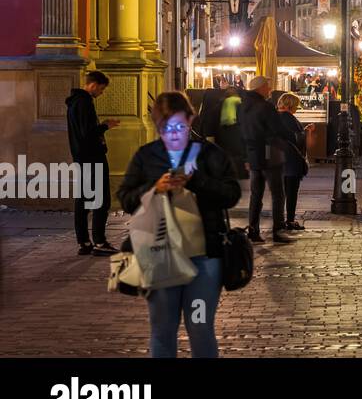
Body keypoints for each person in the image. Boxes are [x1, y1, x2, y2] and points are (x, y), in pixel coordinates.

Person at [118, 92, 241, 358]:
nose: (173, 134)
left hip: (204, 258)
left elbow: (231, 195)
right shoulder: (146, 156)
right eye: (165, 128)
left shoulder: (210, 154)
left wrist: (196, 182)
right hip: (159, 258)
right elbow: (125, 199)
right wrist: (155, 187)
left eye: (179, 126)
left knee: (200, 327)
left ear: (190, 119)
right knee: (162, 329)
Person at [66, 70, 119, 256]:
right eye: (102, 89)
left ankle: (84, 242)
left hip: (82, 157)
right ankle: (99, 241)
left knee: (83, 200)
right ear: (94, 85)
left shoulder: (75, 103)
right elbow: (88, 133)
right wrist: (105, 126)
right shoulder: (85, 103)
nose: (101, 93)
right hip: (92, 157)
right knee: (101, 201)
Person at [239, 75, 294, 244]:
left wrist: (246, 156)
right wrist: (292, 136)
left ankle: (253, 230)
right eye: (267, 86)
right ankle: (278, 230)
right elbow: (278, 129)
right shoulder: (266, 107)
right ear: (260, 88)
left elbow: (240, 133)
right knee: (278, 193)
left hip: (253, 154)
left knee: (256, 194)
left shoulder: (243, 107)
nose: (269, 89)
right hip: (269, 153)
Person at [277, 92, 309, 231]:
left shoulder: (275, 117)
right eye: (296, 105)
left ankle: (279, 220)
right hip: (290, 161)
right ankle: (289, 220)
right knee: (291, 193)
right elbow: (296, 139)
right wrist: (305, 132)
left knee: (279, 193)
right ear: (290, 105)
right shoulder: (288, 118)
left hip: (277, 161)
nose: (297, 108)